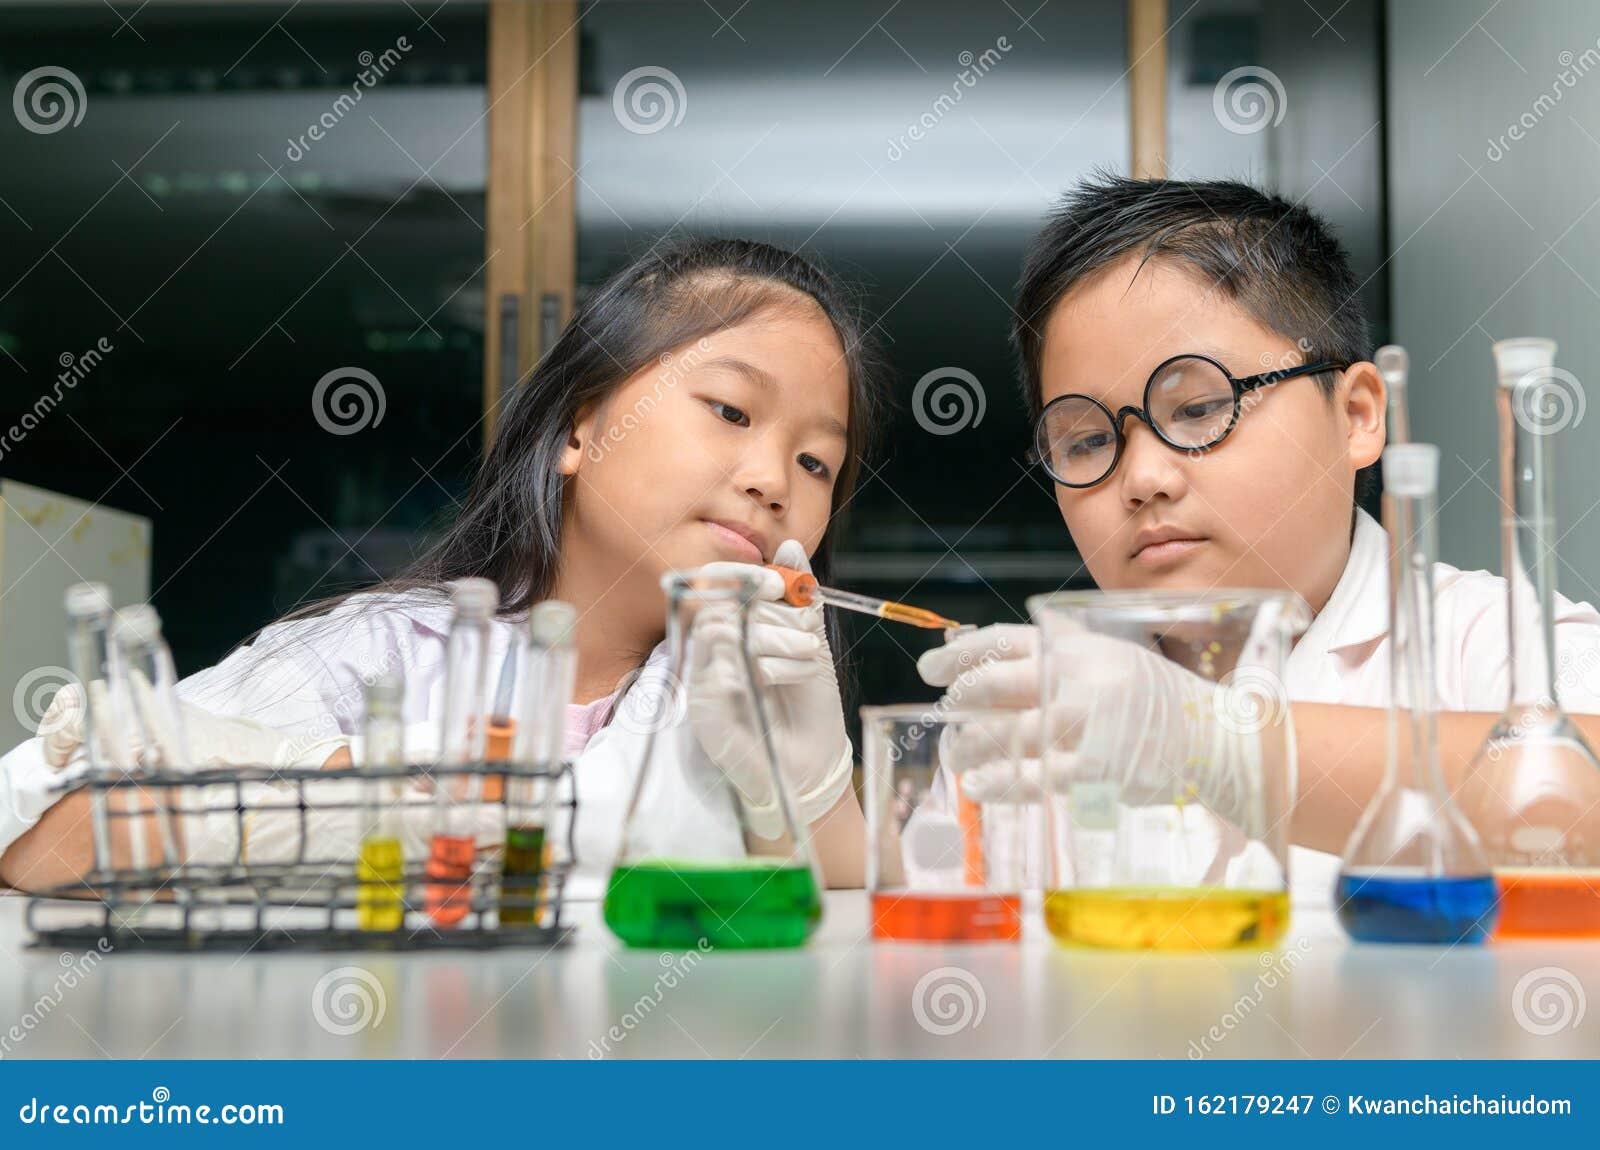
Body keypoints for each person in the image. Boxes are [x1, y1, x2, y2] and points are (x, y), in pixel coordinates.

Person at [0, 235, 885, 894]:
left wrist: (807, 783)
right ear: (579, 426)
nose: (773, 481)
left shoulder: (759, 704)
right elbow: (44, 836)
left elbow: (845, 925)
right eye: (731, 409)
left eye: (817, 462)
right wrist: (354, 794)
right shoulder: (380, 654)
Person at [917, 175, 1600, 901]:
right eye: (1085, 441)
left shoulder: (1496, 640)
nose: (1143, 477)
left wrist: (1212, 744)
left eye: (1201, 406)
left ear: (1359, 414)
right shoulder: (1031, 709)